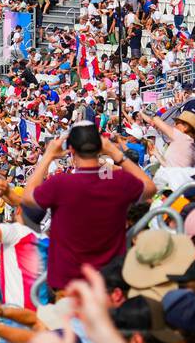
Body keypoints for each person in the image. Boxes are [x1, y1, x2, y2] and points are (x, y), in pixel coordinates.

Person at [21, 121, 156, 293]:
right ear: (101, 146)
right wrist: (115, 152)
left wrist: (48, 156)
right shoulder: (120, 182)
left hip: (69, 287)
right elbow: (150, 187)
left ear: (71, 150)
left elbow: (27, 197)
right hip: (109, 285)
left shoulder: (60, 184)